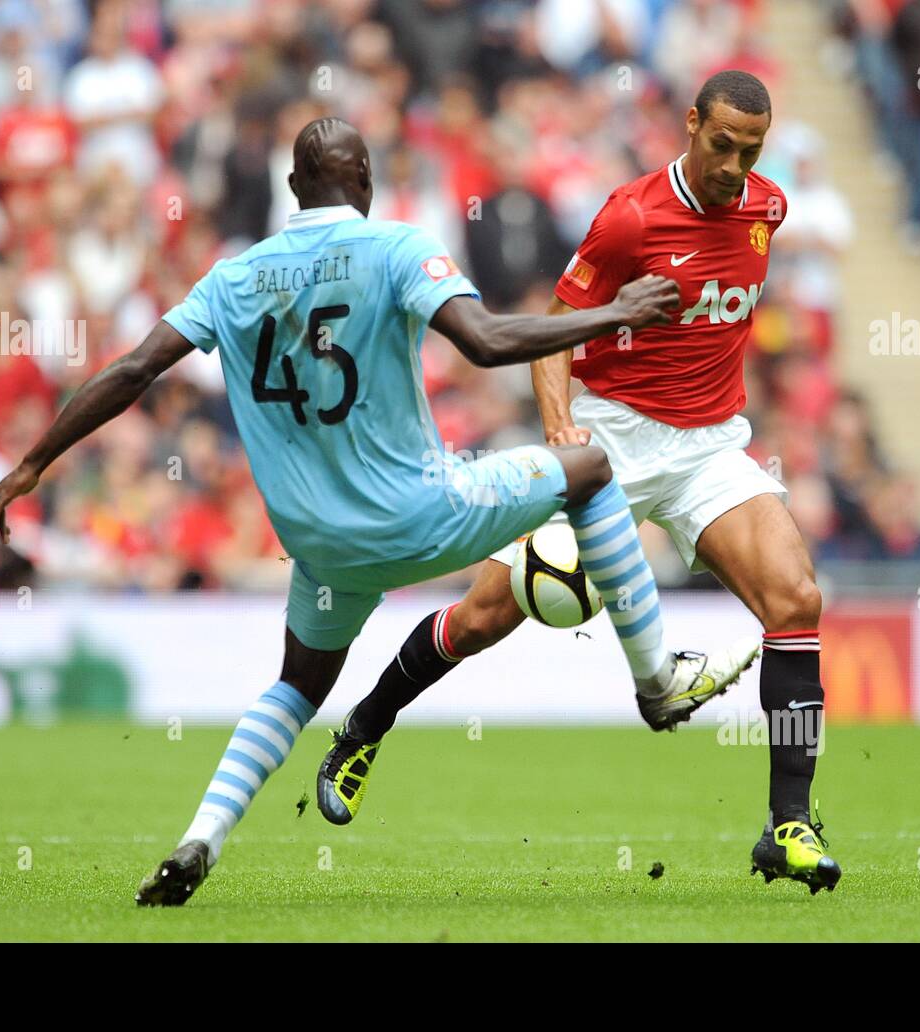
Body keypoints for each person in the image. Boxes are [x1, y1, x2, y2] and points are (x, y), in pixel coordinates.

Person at [0, 117, 757, 907]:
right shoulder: (395, 247)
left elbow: (135, 369)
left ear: (291, 189)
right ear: (366, 183)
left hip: (321, 549)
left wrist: (34, 461)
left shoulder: (231, 279)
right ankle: (657, 679)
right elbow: (486, 343)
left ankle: (199, 840)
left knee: (294, 688)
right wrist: (616, 313)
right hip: (426, 512)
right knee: (590, 468)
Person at [321, 71, 842, 895]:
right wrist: (561, 426)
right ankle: (364, 726)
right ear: (691, 123)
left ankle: (790, 825)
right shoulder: (631, 215)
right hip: (612, 437)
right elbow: (558, 326)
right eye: (721, 145)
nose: (734, 166)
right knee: (489, 612)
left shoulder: (767, 210)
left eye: (751, 151)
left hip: (707, 447)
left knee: (797, 601)